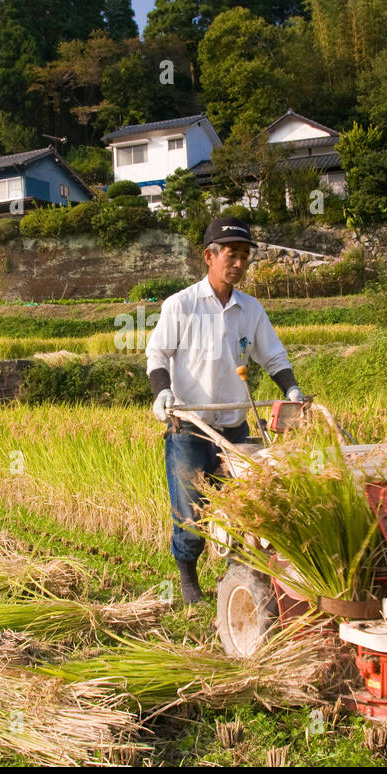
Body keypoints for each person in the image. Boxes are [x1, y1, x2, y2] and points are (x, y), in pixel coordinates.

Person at [144, 217, 305, 605]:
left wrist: (293, 389)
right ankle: (187, 576)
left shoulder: (250, 310)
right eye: (231, 255)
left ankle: (241, 577)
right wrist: (162, 392)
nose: (239, 264)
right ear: (209, 256)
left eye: (245, 257)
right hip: (189, 424)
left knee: (243, 510)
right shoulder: (180, 305)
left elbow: (274, 356)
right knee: (191, 511)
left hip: (234, 427)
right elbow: (157, 353)